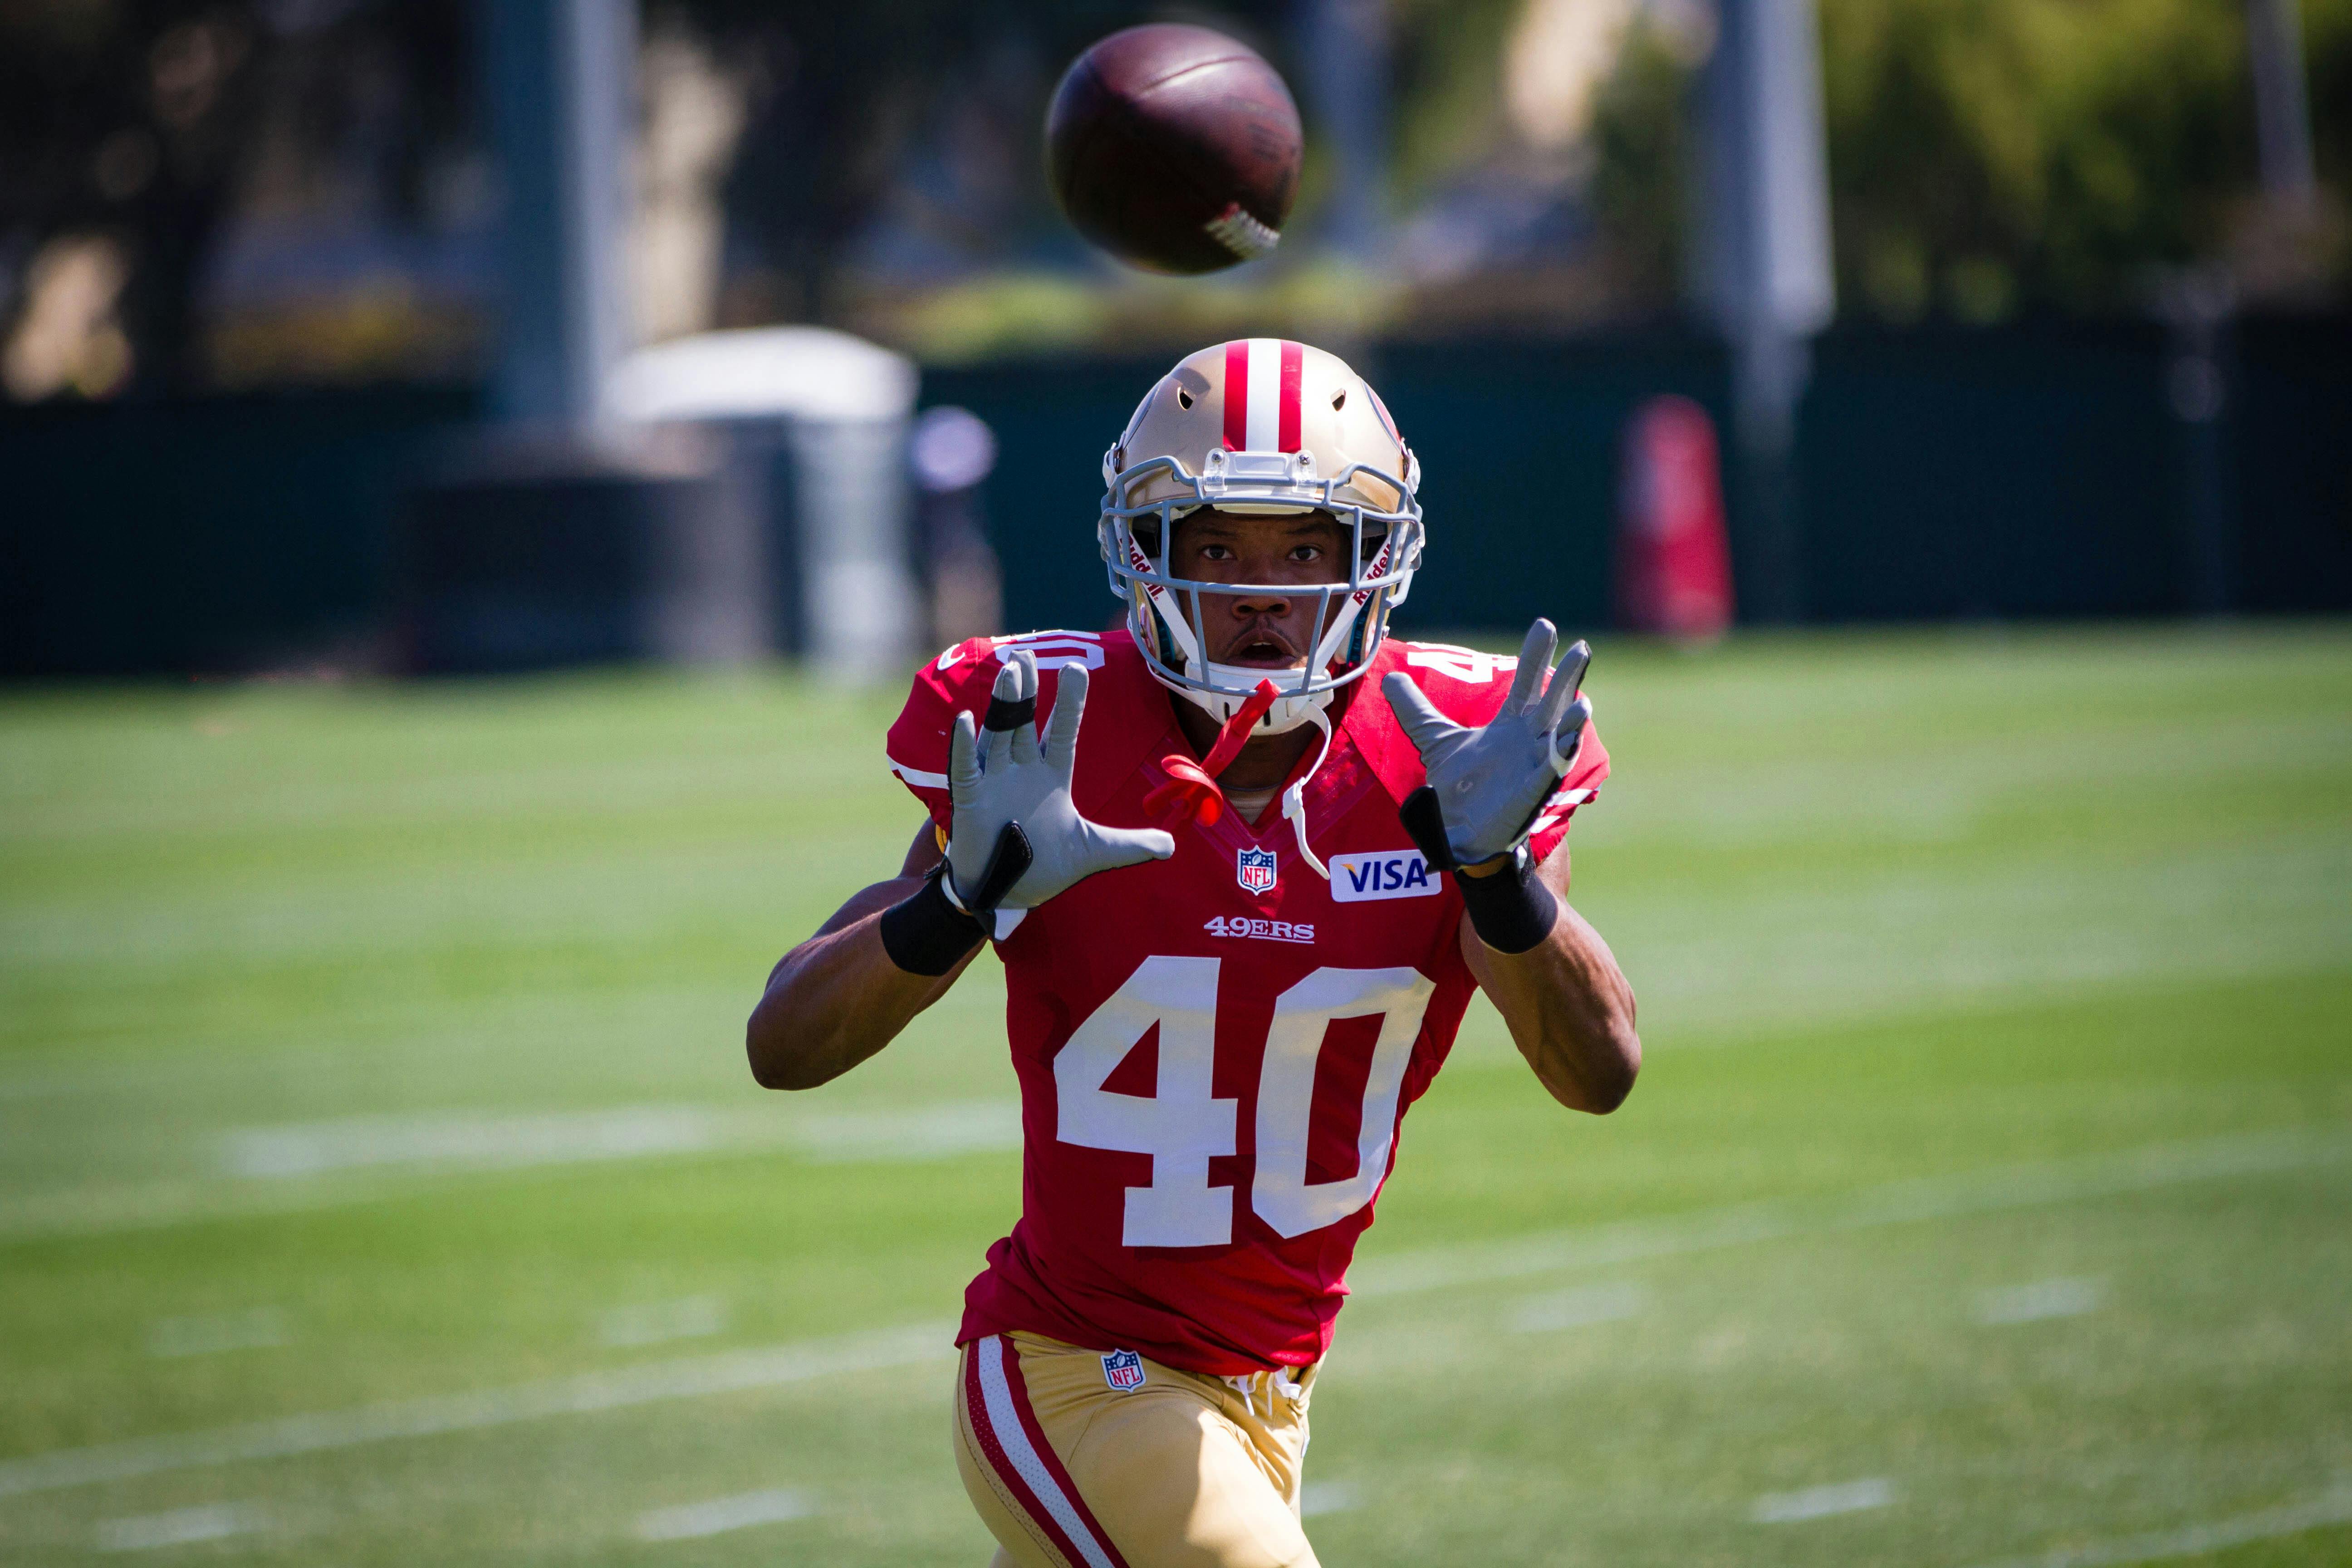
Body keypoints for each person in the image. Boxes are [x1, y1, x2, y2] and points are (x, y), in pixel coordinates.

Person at [748, 338, 1640, 1568]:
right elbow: (784, 1045)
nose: (1263, 592)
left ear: (1374, 558)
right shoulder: (1050, 734)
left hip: (1271, 1400)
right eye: (1218, 548)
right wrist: (958, 901)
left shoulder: (1458, 755)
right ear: (1143, 549)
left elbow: (1598, 1073)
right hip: (1074, 1369)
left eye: (1306, 550)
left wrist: (1501, 878)